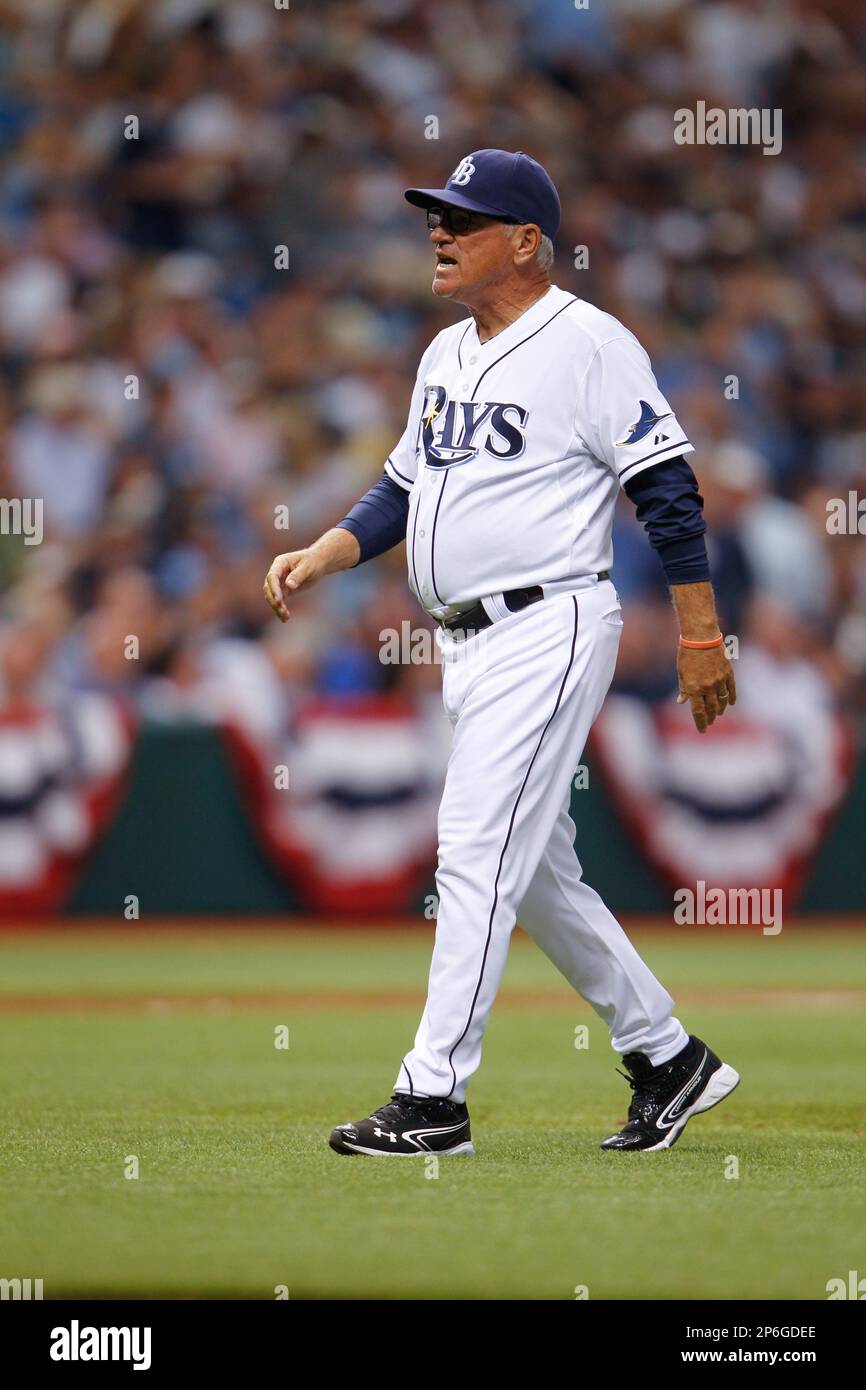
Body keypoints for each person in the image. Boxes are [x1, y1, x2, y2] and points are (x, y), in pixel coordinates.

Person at [263, 149, 739, 1154]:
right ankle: (666, 1054)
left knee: (474, 852)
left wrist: (699, 631)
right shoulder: (444, 354)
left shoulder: (589, 343)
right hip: (469, 643)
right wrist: (326, 550)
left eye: (462, 220)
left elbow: (666, 491)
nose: (437, 231)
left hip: (551, 621)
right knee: (535, 872)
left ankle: (431, 1098)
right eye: (435, 216)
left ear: (525, 242)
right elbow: (399, 489)